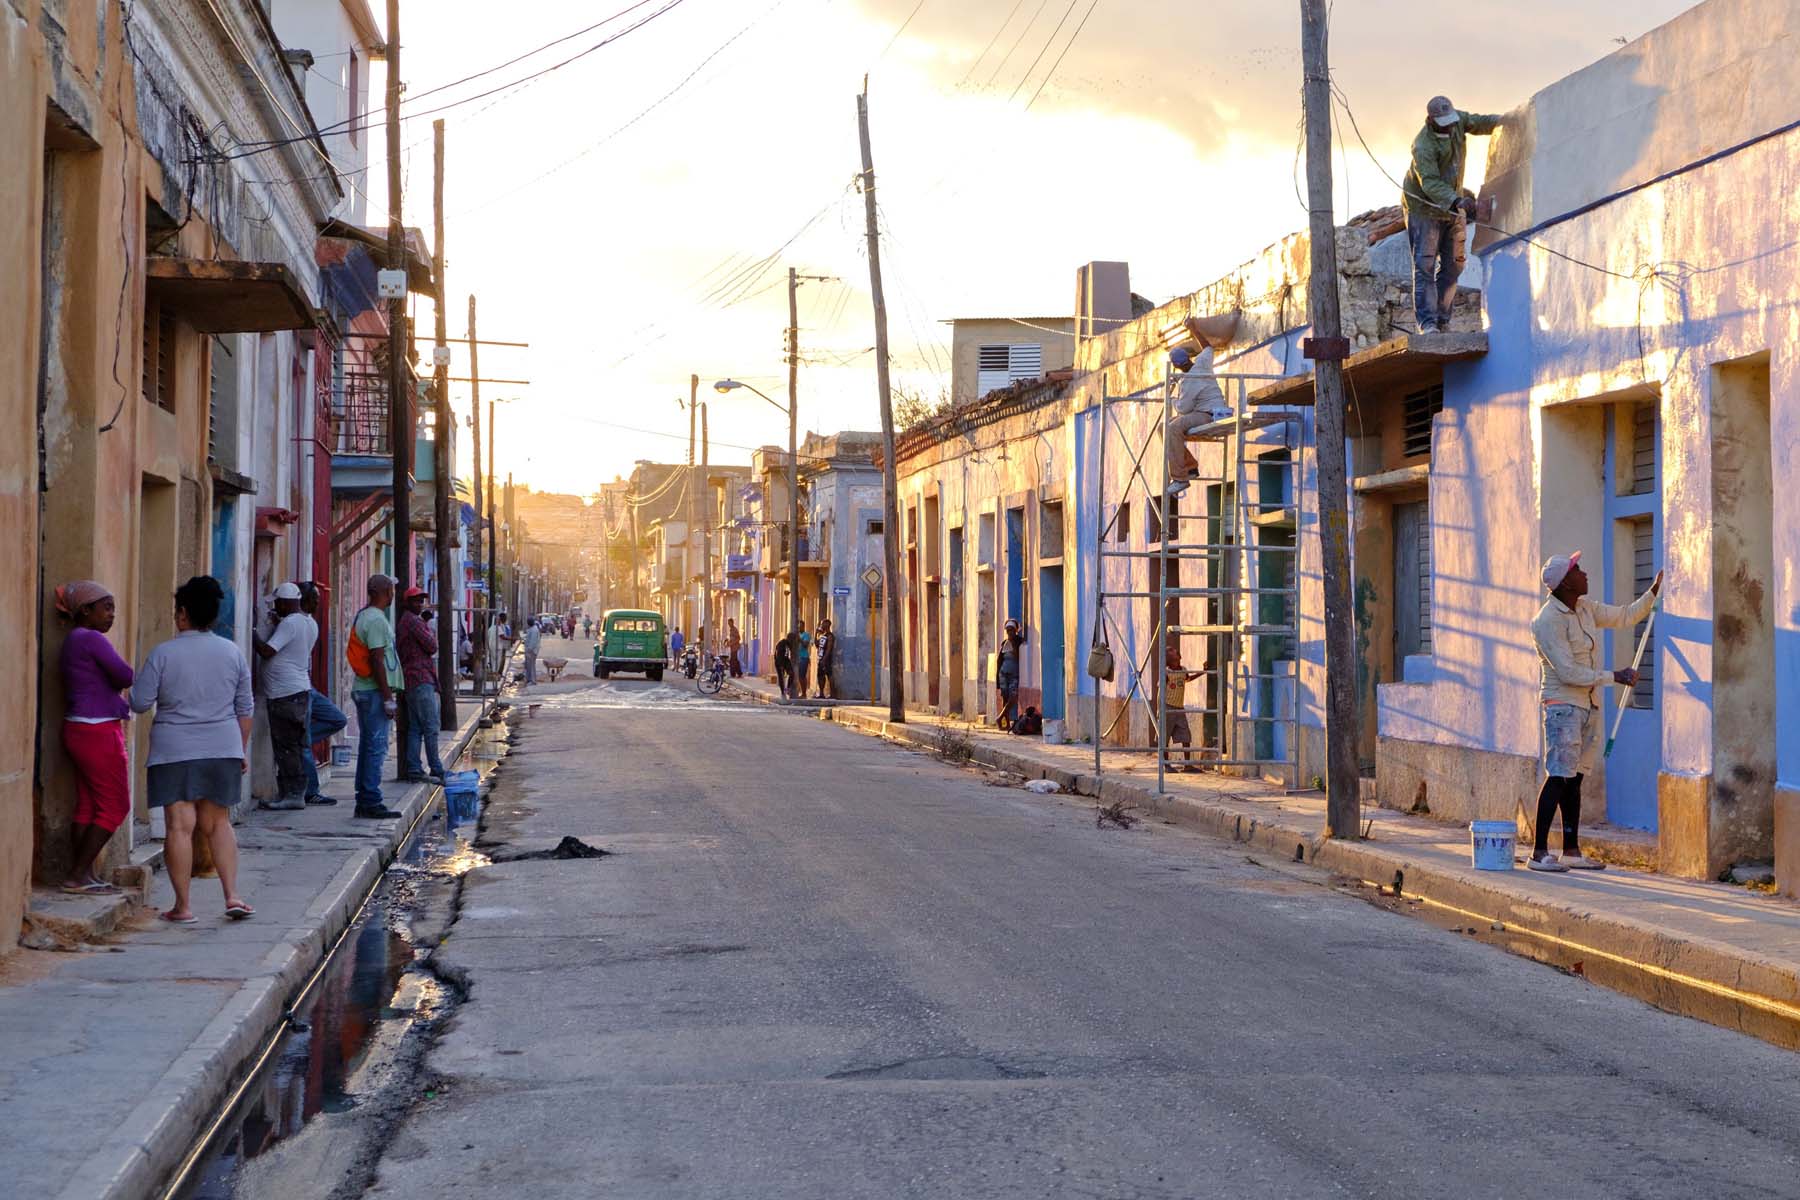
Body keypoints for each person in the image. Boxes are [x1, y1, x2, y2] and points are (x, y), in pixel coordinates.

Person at [129, 576, 255, 922]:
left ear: (183, 613)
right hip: (222, 746)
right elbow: (245, 708)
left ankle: (183, 907)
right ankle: (232, 895)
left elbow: (140, 702)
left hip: (174, 749)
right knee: (218, 823)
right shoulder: (232, 653)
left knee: (179, 826)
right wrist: (240, 750)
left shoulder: (163, 653)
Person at [1528, 552, 1661, 872]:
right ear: (1564, 583)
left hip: (1588, 705)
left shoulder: (1585, 609)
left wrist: (1654, 591)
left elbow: (1625, 616)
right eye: (1578, 570)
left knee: (1574, 780)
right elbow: (1569, 672)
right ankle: (1538, 852)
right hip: (1562, 706)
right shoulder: (1547, 621)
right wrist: (1613, 676)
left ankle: (1571, 851)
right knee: (1558, 776)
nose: (1584, 574)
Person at [55, 580, 134, 895]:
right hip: (97, 728)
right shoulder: (91, 639)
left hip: (78, 727)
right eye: (106, 608)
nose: (111, 615)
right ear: (85, 611)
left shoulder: (73, 640)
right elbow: (125, 675)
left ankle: (84, 873)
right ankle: (77, 874)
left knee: (88, 804)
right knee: (116, 804)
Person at [1402, 95, 1503, 334]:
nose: (1449, 125)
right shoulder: (1423, 146)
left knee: (1454, 265)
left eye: (1451, 120)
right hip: (1424, 210)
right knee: (1424, 265)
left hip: (1451, 207)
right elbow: (1430, 184)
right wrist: (1457, 200)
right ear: (1431, 120)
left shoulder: (1458, 122)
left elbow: (1480, 122)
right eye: (1443, 122)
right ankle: (1428, 323)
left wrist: (1508, 121)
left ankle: (1442, 319)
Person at [251, 582, 317, 811]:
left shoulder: (290, 623)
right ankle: (291, 792)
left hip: (285, 694)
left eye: (277, 602)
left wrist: (252, 632)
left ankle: (293, 795)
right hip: (298, 691)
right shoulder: (308, 622)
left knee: (287, 746)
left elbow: (267, 651)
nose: (275, 606)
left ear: (286, 602)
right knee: (295, 746)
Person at [348, 574, 403, 820]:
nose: (393, 594)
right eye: (391, 590)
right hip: (373, 692)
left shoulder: (364, 615)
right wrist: (388, 697)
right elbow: (377, 660)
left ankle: (365, 798)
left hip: (365, 690)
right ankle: (371, 800)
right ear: (386, 591)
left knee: (368, 745)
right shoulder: (377, 620)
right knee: (377, 747)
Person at [296, 582, 346, 807]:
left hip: (306, 686)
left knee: (337, 719)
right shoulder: (291, 623)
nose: (318, 603)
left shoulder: (308, 624)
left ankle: (303, 741)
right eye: (314, 598)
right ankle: (312, 790)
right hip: (297, 688)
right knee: (303, 743)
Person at [1164, 342, 1228, 496]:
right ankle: (1190, 466)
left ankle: (1180, 478)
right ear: (1188, 357)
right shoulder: (1202, 362)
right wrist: (1193, 327)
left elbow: (1183, 408)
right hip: (1212, 411)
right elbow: (1208, 346)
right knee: (1164, 427)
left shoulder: (1188, 381)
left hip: (1207, 414)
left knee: (1173, 428)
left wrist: (1170, 398)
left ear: (1175, 366)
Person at [397, 587, 447, 783]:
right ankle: (435, 767)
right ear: (407, 603)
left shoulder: (406, 621)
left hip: (412, 680)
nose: (419, 604)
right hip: (420, 679)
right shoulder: (413, 621)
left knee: (416, 727)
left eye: (421, 601)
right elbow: (432, 646)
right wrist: (429, 632)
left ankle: (415, 768)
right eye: (415, 601)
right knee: (431, 725)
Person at [1163, 641, 1199, 772]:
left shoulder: (1183, 670)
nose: (1175, 651)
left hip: (1179, 707)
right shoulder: (1166, 673)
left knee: (1185, 734)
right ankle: (1166, 764)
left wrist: (1203, 672)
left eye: (1174, 650)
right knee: (1164, 736)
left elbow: (1187, 679)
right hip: (1168, 707)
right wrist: (1159, 709)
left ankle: (1187, 764)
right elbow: (1160, 690)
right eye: (1171, 651)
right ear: (1168, 658)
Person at [996, 618, 1026, 730]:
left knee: (1013, 696)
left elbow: (1019, 658)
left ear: (1016, 630)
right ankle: (1006, 723)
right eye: (1008, 630)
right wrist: (998, 677)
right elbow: (1000, 660)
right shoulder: (1004, 643)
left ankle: (1000, 717)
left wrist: (1013, 645)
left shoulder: (1019, 642)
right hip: (1003, 673)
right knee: (1005, 696)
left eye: (1012, 630)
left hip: (1014, 674)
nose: (1010, 633)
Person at [814, 619, 837, 699]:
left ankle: (833, 694)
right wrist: (816, 633)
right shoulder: (822, 635)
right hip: (820, 658)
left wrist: (824, 659)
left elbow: (829, 649)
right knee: (820, 676)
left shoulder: (830, 636)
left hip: (826, 659)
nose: (821, 625)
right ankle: (821, 693)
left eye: (822, 624)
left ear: (827, 625)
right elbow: (816, 644)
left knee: (829, 675)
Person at [773, 629, 795, 699]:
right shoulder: (781, 643)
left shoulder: (789, 644)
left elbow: (790, 653)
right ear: (788, 638)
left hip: (786, 660)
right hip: (779, 661)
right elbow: (778, 654)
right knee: (781, 677)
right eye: (792, 640)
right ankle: (783, 692)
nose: (793, 642)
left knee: (791, 673)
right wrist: (781, 665)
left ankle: (788, 688)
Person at [793, 622, 812, 699]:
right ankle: (800, 692)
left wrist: (799, 639)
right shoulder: (796, 635)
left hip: (804, 657)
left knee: (802, 676)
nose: (799, 628)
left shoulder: (806, 635)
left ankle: (804, 693)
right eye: (798, 627)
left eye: (800, 627)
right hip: (797, 658)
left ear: (803, 627)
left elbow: (805, 645)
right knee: (798, 676)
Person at [522, 617, 542, 687]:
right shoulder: (532, 629)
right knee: (528, 666)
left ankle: (533, 681)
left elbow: (533, 642)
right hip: (529, 650)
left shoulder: (534, 630)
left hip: (532, 651)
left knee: (531, 666)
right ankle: (529, 679)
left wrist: (529, 650)